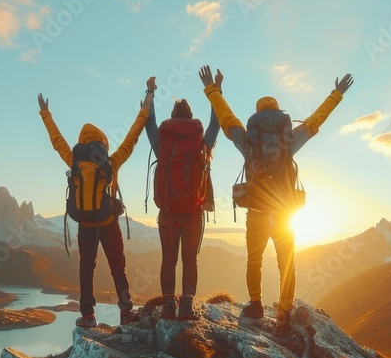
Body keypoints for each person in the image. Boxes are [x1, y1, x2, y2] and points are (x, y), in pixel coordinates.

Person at [198, 65, 354, 332]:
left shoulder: (247, 139)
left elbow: (226, 117)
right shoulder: (288, 139)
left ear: (257, 115)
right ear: (279, 114)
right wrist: (336, 94)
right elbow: (316, 120)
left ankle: (256, 305)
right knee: (287, 264)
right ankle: (284, 312)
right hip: (284, 214)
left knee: (254, 261)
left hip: (257, 212)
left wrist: (213, 89)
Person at [38, 84, 153, 327]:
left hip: (85, 224)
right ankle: (125, 311)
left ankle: (88, 315)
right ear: (102, 141)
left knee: (86, 269)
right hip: (108, 222)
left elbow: (56, 141)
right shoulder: (111, 162)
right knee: (117, 267)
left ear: (82, 141)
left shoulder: (74, 159)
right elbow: (132, 136)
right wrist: (147, 103)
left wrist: (46, 114)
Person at [143, 75, 222, 320]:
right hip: (192, 212)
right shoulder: (200, 143)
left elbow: (148, 120)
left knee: (168, 260)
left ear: (173, 115)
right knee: (190, 260)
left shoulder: (163, 143)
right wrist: (215, 89)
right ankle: (186, 306)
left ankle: (169, 306)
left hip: (167, 212)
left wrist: (150, 92)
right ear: (190, 116)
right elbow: (217, 122)